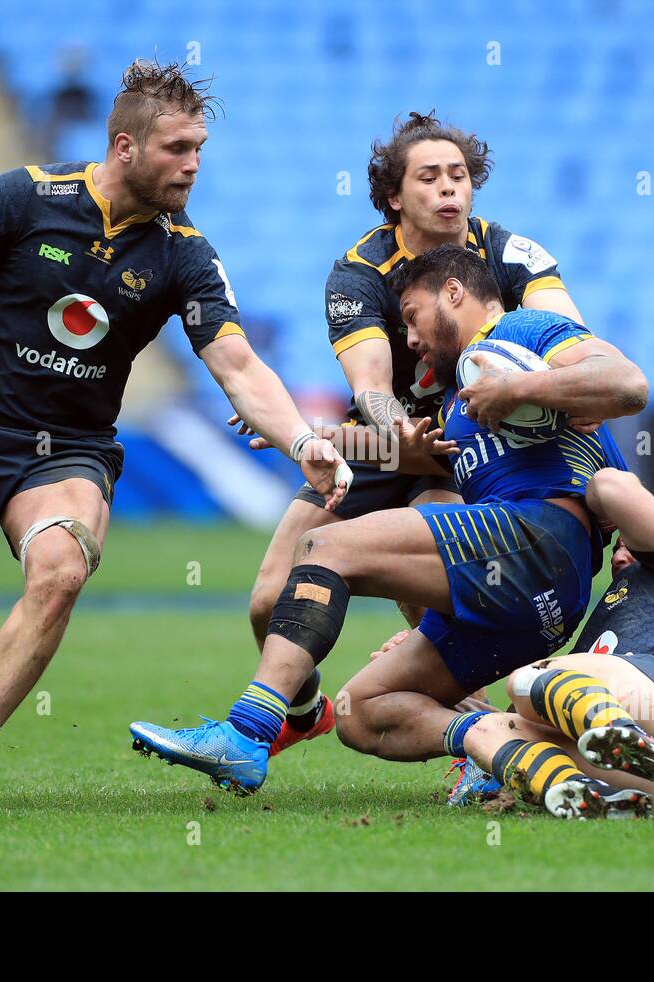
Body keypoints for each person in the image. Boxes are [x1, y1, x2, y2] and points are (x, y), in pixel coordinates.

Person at [0, 60, 350, 814]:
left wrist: (305, 442)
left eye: (200, 149)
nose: (193, 165)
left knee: (60, 570)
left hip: (68, 448)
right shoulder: (18, 197)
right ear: (124, 146)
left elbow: (239, 366)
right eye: (178, 148)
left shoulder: (186, 254)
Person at [129, 244, 647, 794]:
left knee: (324, 548)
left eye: (412, 317)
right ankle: (498, 748)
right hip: (540, 607)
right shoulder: (456, 405)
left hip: (540, 534)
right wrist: (300, 434)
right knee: (364, 712)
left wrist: (516, 387)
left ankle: (246, 733)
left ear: (454, 291)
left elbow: (628, 383)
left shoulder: (524, 330)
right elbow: (404, 453)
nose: (413, 340)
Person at [245, 111, 594, 756]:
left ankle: (480, 739)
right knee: (269, 602)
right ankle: (304, 711)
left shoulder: (512, 255)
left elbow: (574, 339)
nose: (448, 191)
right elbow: (372, 389)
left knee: (433, 570)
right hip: (387, 440)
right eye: (429, 178)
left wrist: (563, 386)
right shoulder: (358, 273)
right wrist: (388, 435)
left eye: (459, 177)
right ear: (393, 198)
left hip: (473, 445)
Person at [442, 467, 654, 819]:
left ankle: (622, 735)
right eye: (615, 549)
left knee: (526, 681)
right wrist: (460, 701)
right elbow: (540, 718)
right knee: (485, 731)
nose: (618, 556)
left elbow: (611, 484)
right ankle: (589, 796)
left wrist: (587, 501)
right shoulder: (599, 636)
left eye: (629, 545)